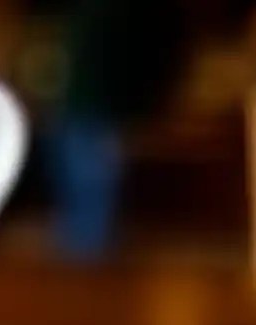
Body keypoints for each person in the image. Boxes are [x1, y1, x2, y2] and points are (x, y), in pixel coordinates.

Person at [50, 0, 187, 261]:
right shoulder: (103, 13)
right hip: (86, 111)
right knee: (86, 199)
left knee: (90, 199)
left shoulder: (112, 13)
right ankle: (83, 270)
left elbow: (125, 64)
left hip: (95, 112)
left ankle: (86, 272)